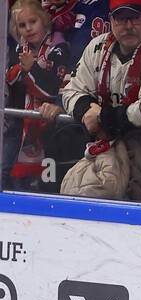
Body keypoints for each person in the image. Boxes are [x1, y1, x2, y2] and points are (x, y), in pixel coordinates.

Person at [59, 0, 141, 200]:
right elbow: (70, 92)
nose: (128, 26)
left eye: (135, 17)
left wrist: (101, 117)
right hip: (105, 149)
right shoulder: (97, 46)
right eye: (121, 18)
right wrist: (87, 110)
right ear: (110, 19)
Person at [4, 0, 73, 190]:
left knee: (44, 184)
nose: (28, 28)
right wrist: (22, 68)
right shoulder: (19, 48)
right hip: (18, 127)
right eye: (22, 25)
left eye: (32, 21)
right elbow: (9, 79)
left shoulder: (60, 47)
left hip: (49, 128)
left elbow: (52, 90)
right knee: (6, 173)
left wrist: (31, 69)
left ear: (44, 20)